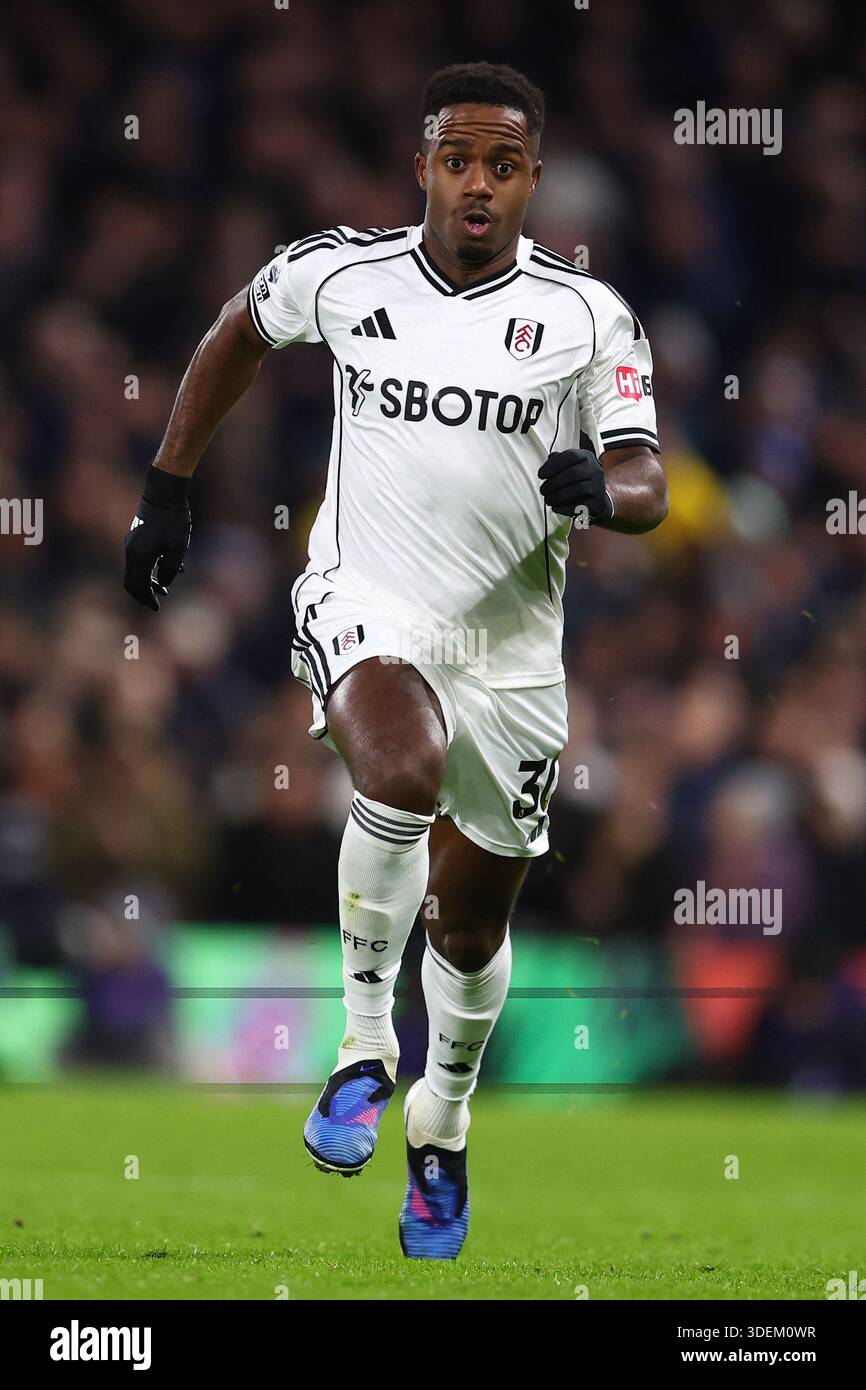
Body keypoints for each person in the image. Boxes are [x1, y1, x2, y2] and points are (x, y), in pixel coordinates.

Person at [123, 61, 668, 1259]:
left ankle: (442, 1121)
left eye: (503, 166)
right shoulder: (343, 270)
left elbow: (645, 476)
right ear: (422, 164)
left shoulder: (588, 316)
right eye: (458, 160)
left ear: (533, 179)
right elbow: (235, 333)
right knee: (399, 770)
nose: (478, 185)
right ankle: (362, 1048)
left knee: (469, 929)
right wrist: (167, 489)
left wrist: (604, 491)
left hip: (511, 656)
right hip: (365, 599)